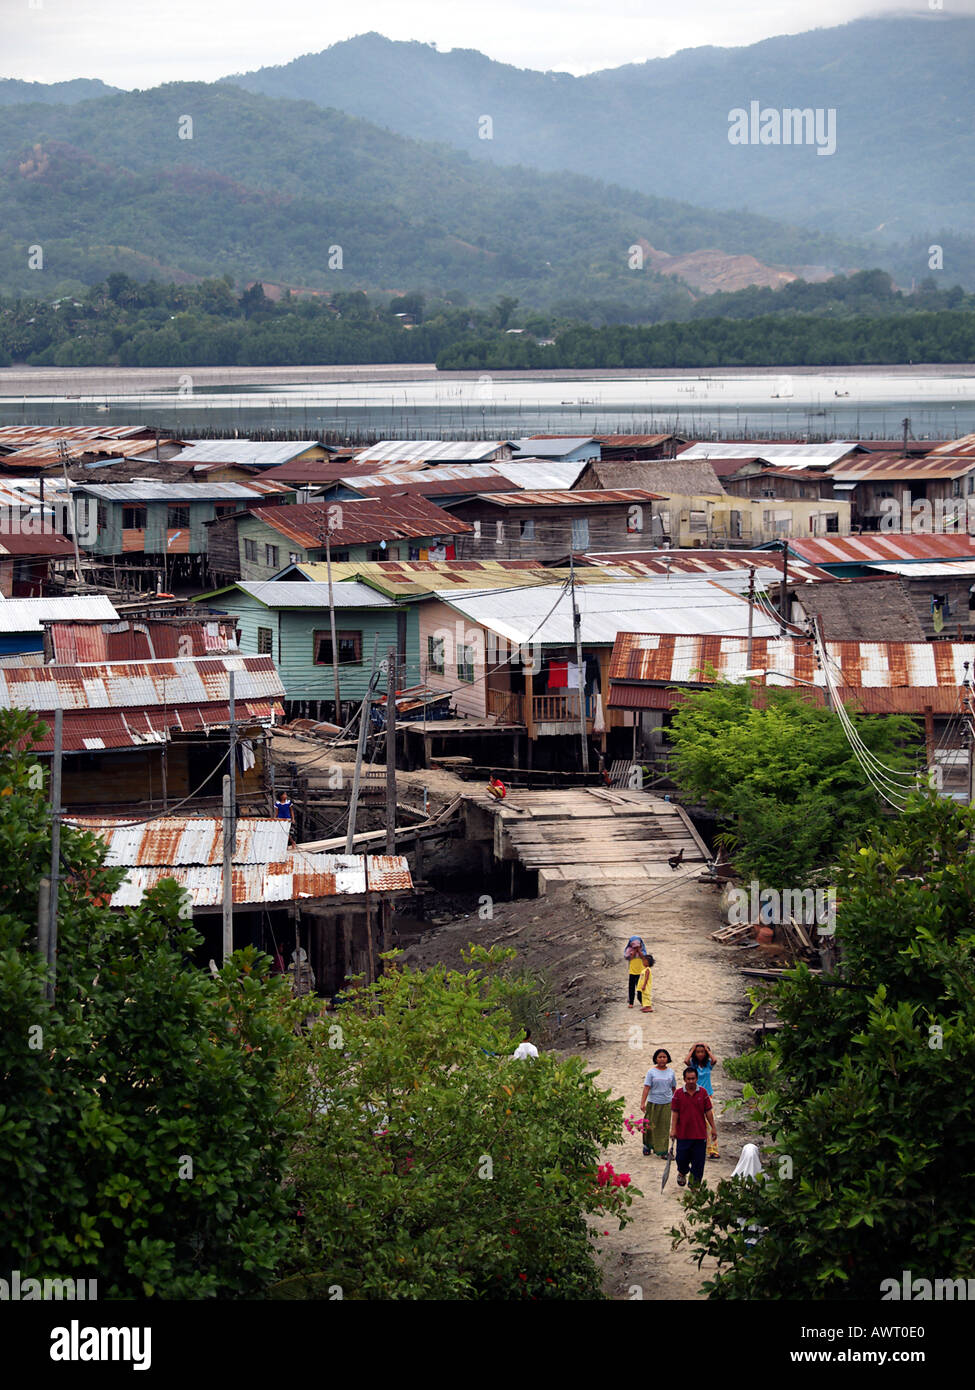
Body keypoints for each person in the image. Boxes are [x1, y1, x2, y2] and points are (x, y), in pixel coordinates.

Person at [670, 1066, 717, 1188]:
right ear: (684, 1079)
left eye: (693, 1078)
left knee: (698, 1162)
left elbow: (708, 1112)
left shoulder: (703, 1092)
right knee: (681, 1158)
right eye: (688, 1079)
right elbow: (675, 1113)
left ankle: (695, 1184)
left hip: (700, 1133)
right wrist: (673, 1129)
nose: (691, 1081)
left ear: (697, 1079)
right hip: (683, 1134)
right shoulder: (678, 1094)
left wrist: (713, 1128)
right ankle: (683, 1172)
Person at [640, 1048, 676, 1157]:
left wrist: (676, 1101)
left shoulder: (671, 1072)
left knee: (663, 1128)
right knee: (649, 1125)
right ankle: (647, 1145)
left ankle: (663, 1151)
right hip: (653, 1103)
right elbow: (646, 1087)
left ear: (667, 1058)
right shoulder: (651, 1072)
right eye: (659, 1057)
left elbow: (674, 1088)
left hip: (666, 1103)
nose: (662, 1059)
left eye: (664, 1057)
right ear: (656, 1059)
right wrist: (643, 1103)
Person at [684, 1043, 718, 1152]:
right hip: (695, 1095)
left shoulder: (708, 1064)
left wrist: (707, 1049)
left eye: (702, 1052)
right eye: (698, 1052)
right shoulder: (693, 1065)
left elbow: (715, 1060)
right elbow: (686, 1061)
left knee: (710, 1122)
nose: (700, 1054)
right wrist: (693, 1048)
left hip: (708, 1095)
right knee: (696, 1121)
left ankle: (712, 1149)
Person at [624, 936, 647, 1008]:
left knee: (639, 987)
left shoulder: (642, 950)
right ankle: (631, 1002)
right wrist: (634, 951)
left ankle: (641, 1000)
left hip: (640, 972)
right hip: (632, 972)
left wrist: (639, 951)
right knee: (631, 987)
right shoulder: (629, 950)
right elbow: (629, 957)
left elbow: (644, 957)